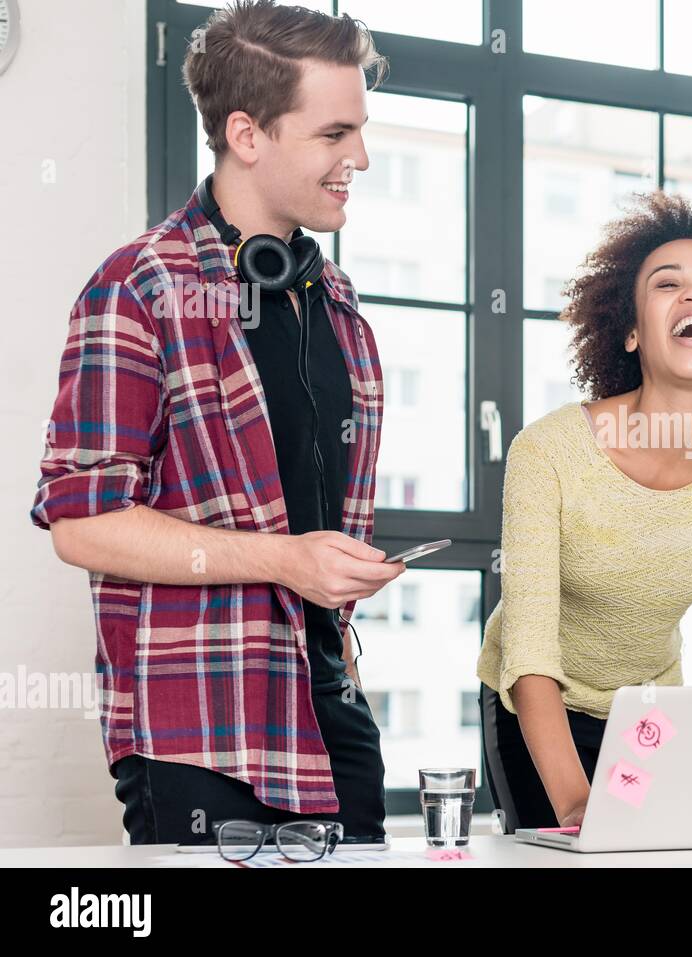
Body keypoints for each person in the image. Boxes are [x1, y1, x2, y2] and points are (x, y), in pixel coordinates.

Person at [30, 0, 401, 845]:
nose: (361, 159)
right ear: (246, 133)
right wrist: (285, 559)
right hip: (203, 730)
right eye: (334, 134)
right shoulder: (135, 289)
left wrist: (336, 563)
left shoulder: (334, 302)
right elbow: (83, 524)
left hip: (331, 713)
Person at [477, 185, 692, 833]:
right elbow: (531, 648)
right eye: (666, 284)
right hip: (533, 703)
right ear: (629, 331)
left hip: (649, 708)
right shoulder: (547, 450)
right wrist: (573, 800)